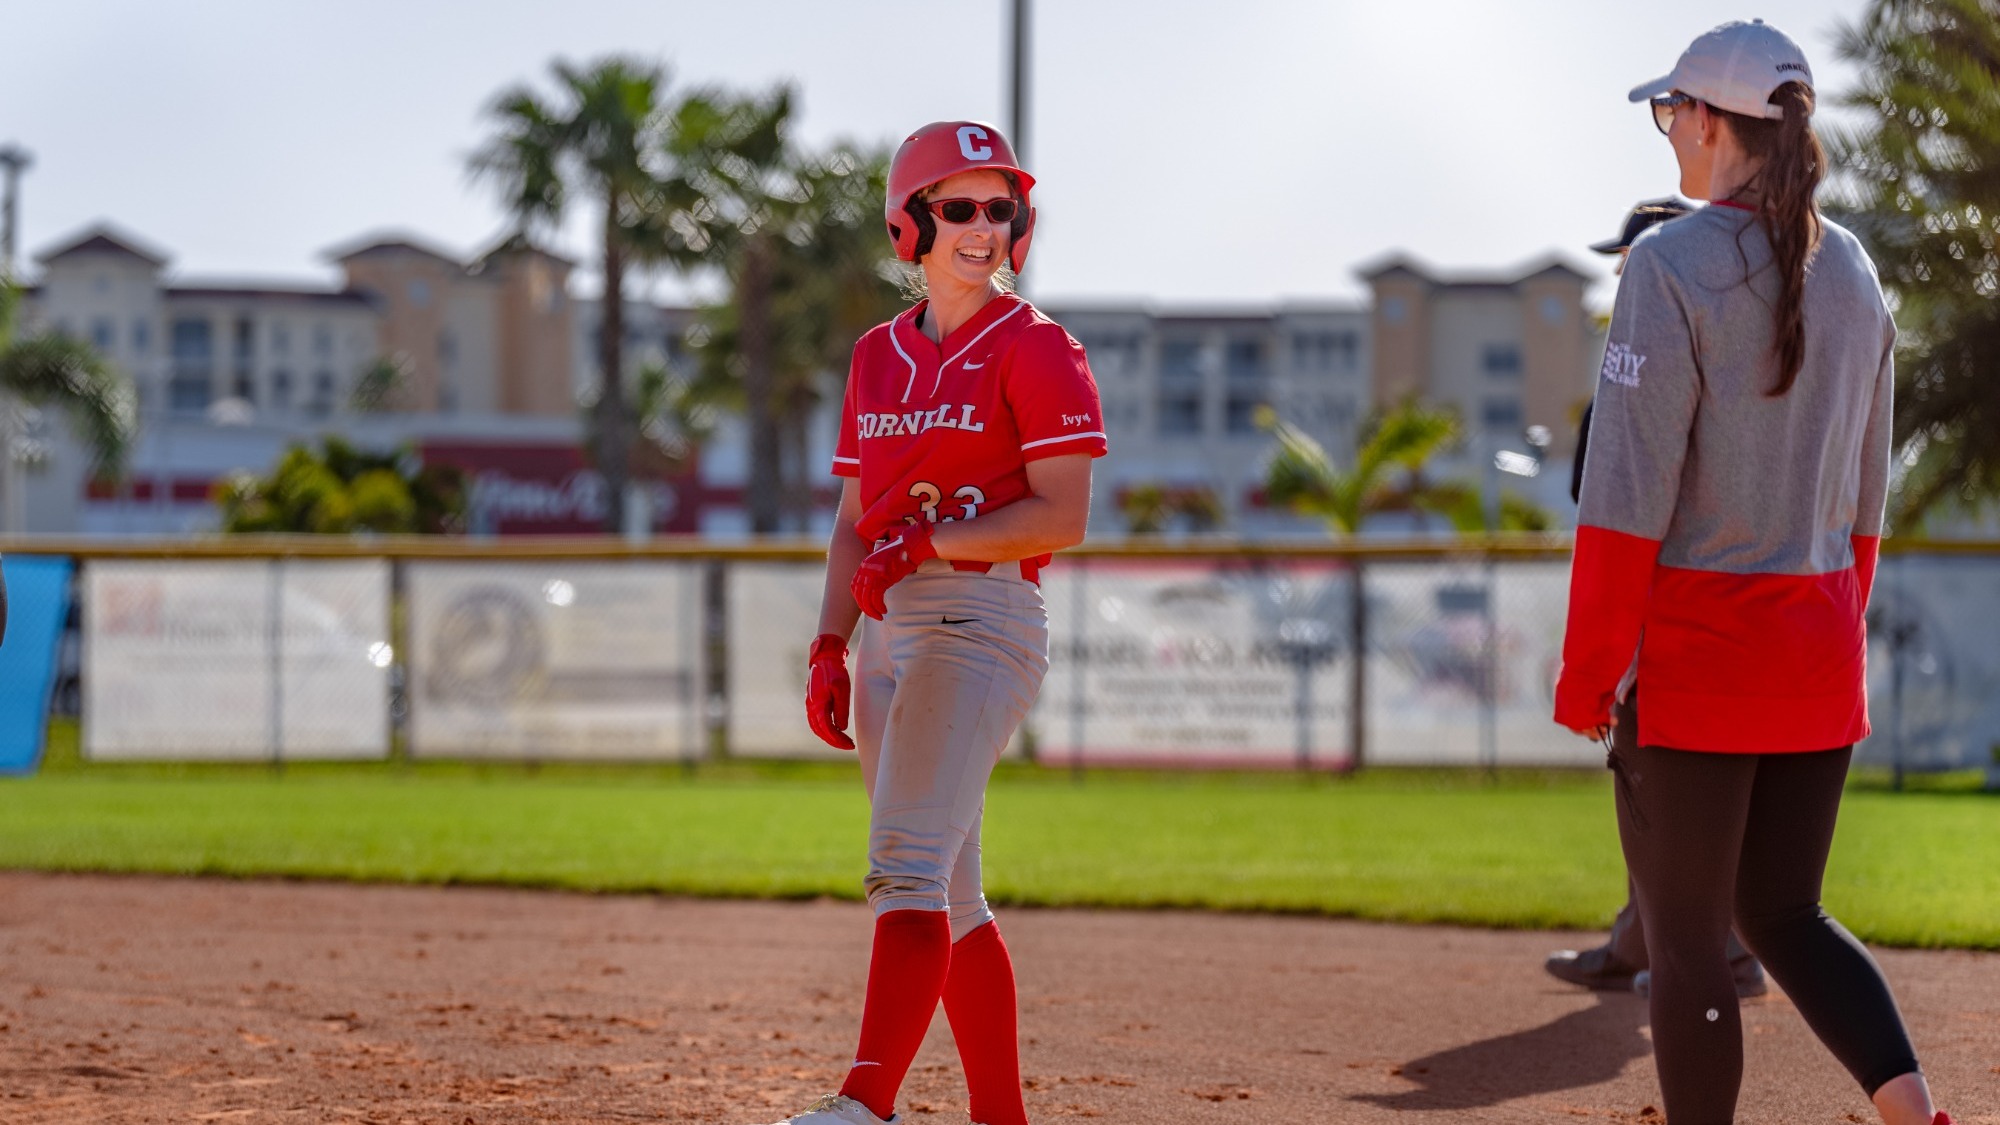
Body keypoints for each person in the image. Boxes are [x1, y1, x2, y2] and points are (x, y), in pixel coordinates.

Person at [1557, 20, 1952, 1125]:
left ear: (1708, 122)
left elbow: (1623, 497)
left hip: (1698, 658)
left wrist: (1588, 673)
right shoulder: (1852, 266)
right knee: (1784, 914)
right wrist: (1832, 634)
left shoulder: (1665, 264)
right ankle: (1918, 1115)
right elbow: (1866, 500)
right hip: (1815, 647)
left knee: (1686, 944)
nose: (1666, 130)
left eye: (1669, 111)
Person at [766, 120, 1107, 1125]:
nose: (981, 226)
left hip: (982, 616)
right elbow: (851, 521)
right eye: (957, 207)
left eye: (1000, 208)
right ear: (907, 225)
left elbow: (1062, 515)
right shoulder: (876, 356)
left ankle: (863, 1106)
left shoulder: (1039, 347)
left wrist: (924, 547)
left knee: (904, 870)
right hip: (886, 631)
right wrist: (829, 643)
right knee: (950, 895)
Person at [1544, 197, 1770, 1002]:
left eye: (1630, 261)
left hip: (1676, 608)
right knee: (1671, 795)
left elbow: (1624, 506)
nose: (1621, 276)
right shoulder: (1670, 360)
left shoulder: (1659, 362)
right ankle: (1644, 939)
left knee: (1665, 792)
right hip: (1716, 604)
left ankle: (1711, 950)